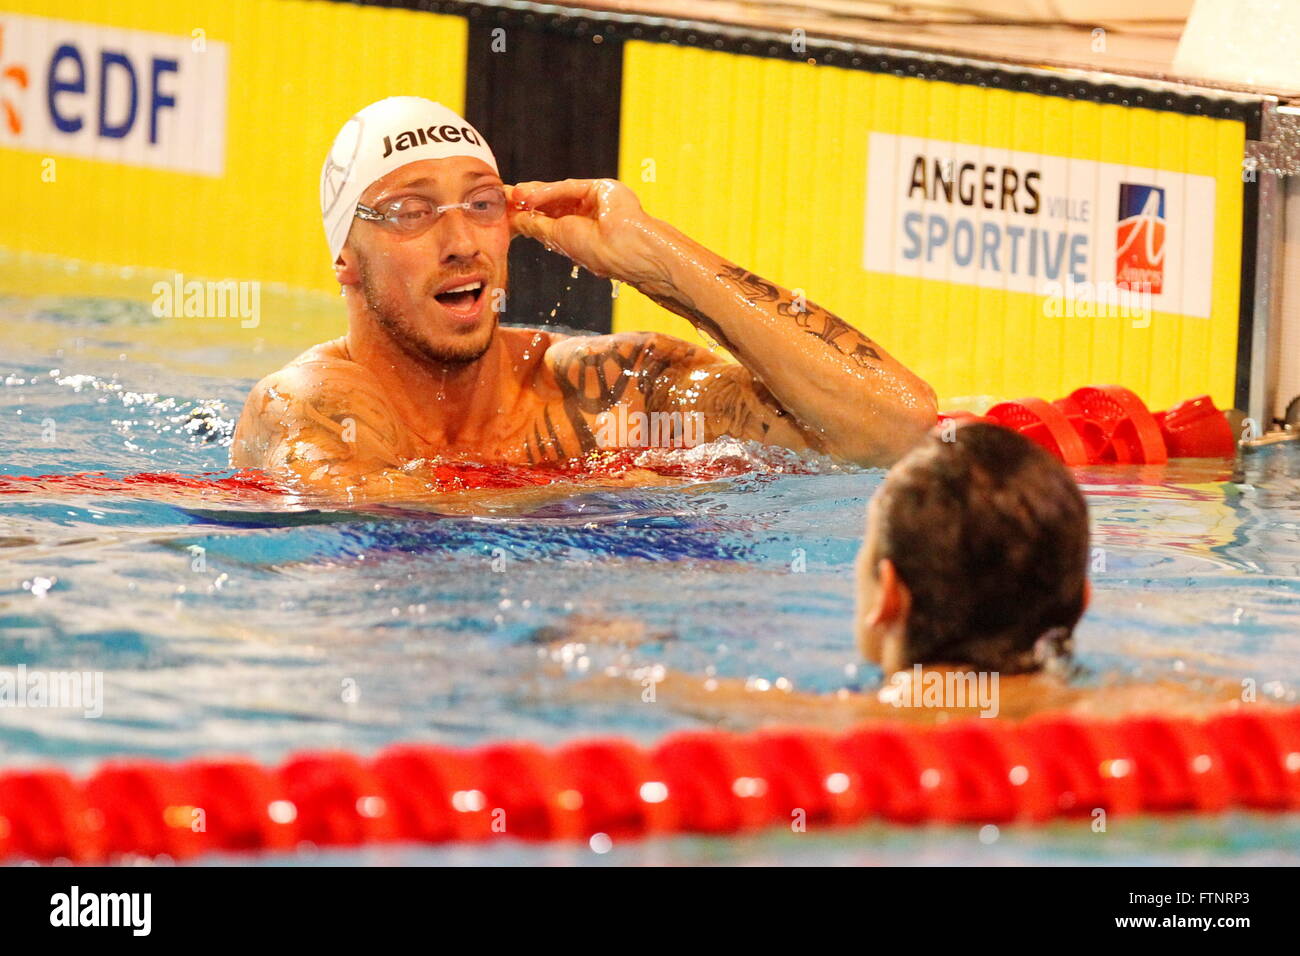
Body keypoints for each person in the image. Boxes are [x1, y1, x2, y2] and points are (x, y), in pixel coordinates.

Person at [230, 97, 937, 498]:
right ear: (346, 262)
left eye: (481, 205)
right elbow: (367, 509)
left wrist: (659, 262)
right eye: (414, 212)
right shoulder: (309, 406)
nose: (460, 241)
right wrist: (607, 494)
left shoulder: (614, 390)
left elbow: (893, 428)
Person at [544, 424, 1256, 725]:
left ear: (889, 595)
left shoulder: (825, 730)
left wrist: (593, 646)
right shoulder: (1157, 709)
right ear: (1083, 596)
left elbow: (586, 680)